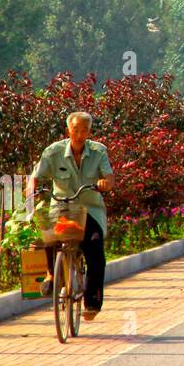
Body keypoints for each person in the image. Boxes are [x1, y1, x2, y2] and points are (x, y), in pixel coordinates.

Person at [26, 111, 114, 322]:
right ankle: (51, 273)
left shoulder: (98, 151)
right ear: (68, 131)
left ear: (89, 132)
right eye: (76, 130)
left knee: (95, 251)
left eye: (84, 130)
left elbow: (109, 177)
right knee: (48, 234)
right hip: (62, 207)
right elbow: (35, 176)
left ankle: (92, 303)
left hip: (89, 209)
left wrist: (105, 183)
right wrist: (31, 187)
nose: (80, 135)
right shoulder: (53, 152)